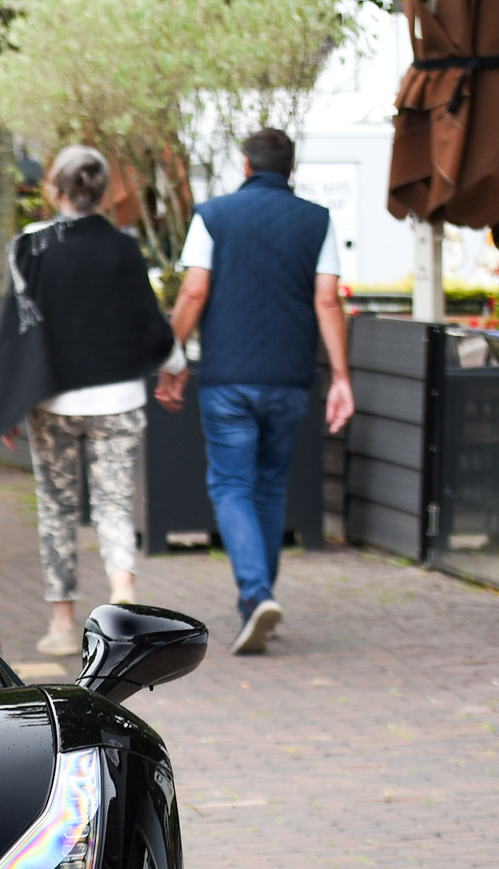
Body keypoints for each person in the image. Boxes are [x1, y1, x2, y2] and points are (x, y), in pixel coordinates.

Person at [155, 127, 355, 655]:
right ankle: (256, 602)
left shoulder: (213, 215)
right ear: (289, 169)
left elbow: (195, 291)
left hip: (229, 378)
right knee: (268, 489)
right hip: (290, 378)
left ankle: (256, 592)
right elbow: (328, 302)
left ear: (245, 165)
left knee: (230, 486)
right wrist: (341, 378)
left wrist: (170, 356)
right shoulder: (318, 220)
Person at [0, 145, 181, 657]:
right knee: (115, 503)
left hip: (54, 401)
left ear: (54, 189)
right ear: (105, 192)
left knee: (58, 509)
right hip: (119, 399)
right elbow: (147, 320)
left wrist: (5, 401)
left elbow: (14, 332)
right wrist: (175, 367)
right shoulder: (124, 248)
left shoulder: (31, 246)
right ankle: (123, 597)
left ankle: (63, 624)